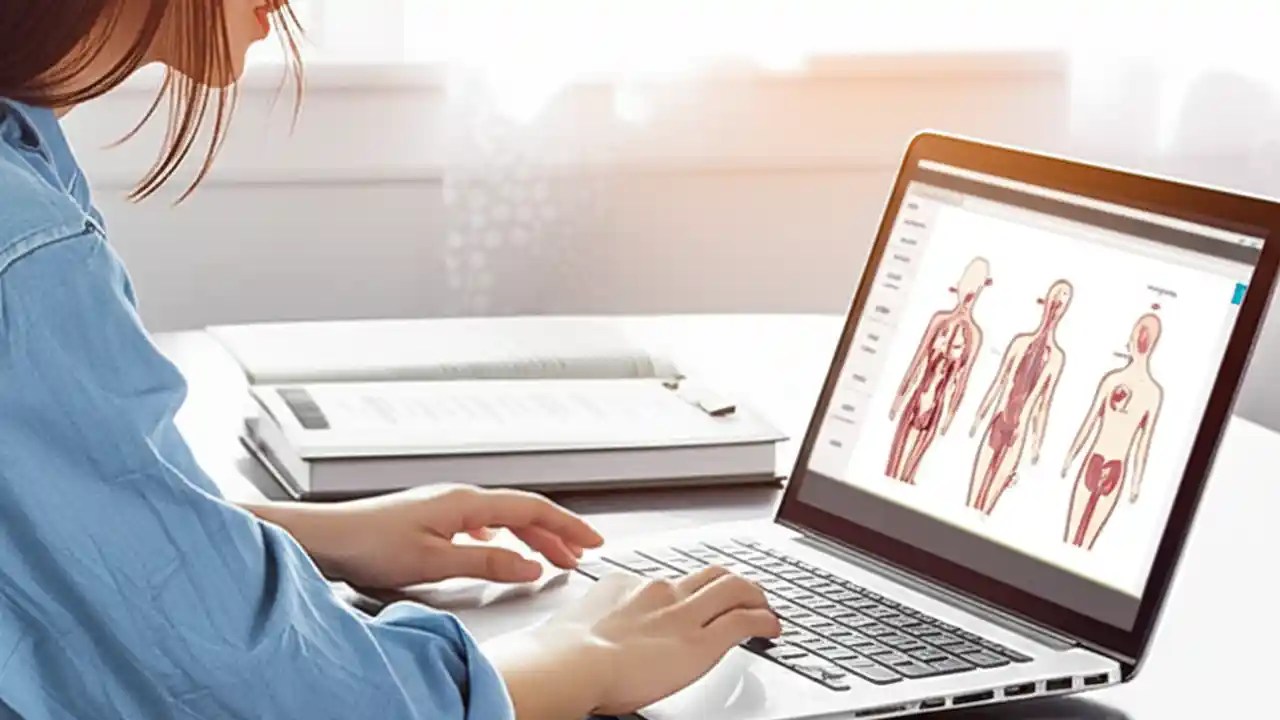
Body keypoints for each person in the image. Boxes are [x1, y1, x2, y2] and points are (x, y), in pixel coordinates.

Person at [0, 2, 780, 718]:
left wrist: (304, 535)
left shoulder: (25, 153)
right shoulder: (27, 252)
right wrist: (581, 657)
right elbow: (284, 703)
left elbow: (36, 540)